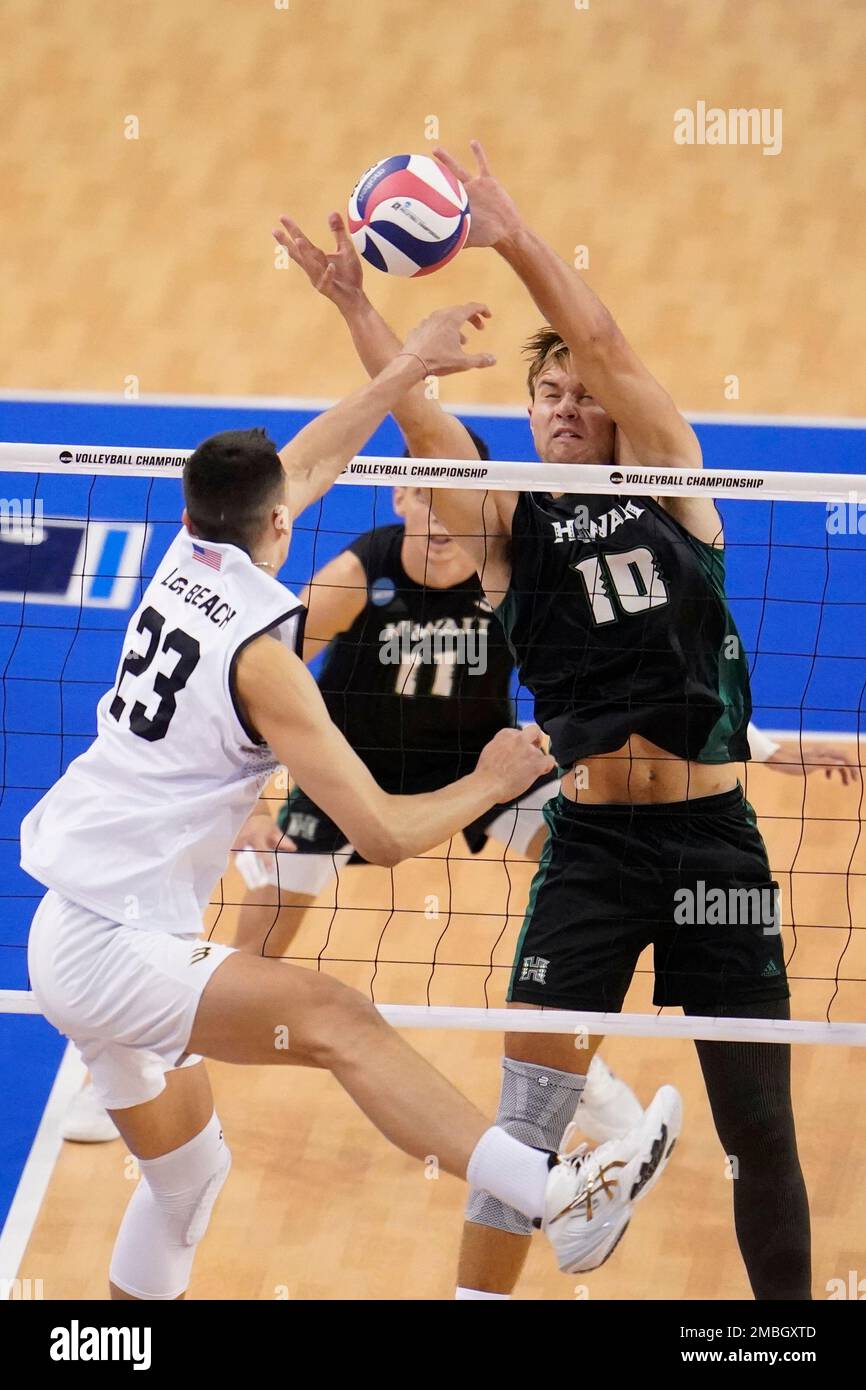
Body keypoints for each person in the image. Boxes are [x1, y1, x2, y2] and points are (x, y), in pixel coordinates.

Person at [269, 145, 852, 1301]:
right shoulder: (508, 530)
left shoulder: (676, 479)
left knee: (758, 1130)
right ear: (531, 415)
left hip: (711, 844)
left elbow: (612, 348)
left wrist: (512, 235)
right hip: (587, 850)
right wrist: (356, 309)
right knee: (521, 1130)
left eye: (583, 393)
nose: (571, 403)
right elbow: (431, 436)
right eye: (550, 394)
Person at [20, 302, 681, 1299]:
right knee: (340, 1020)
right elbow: (382, 831)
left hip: (78, 924)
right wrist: (491, 781)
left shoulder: (186, 557)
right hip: (114, 950)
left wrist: (401, 368)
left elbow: (306, 465)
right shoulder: (267, 659)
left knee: (189, 1181)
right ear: (277, 521)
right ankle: (558, 1197)